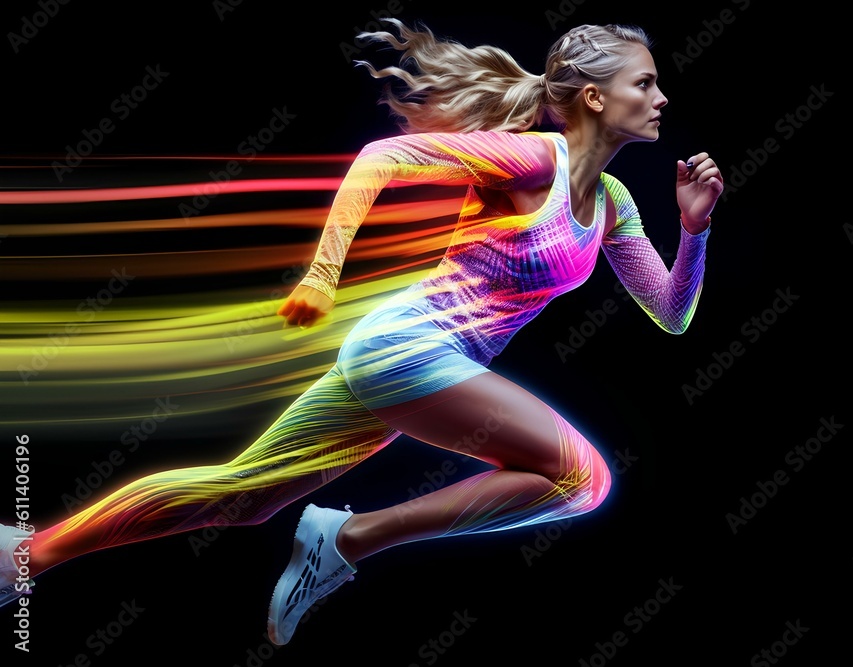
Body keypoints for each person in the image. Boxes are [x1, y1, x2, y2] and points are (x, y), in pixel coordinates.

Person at [1, 18, 722, 647]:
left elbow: (671, 311)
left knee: (243, 496)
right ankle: (347, 537)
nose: (661, 99)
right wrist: (321, 275)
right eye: (646, 83)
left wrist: (695, 229)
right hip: (412, 349)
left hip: (414, 363)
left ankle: (26, 554)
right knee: (581, 478)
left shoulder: (615, 203)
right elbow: (383, 158)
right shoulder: (536, 159)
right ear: (595, 97)